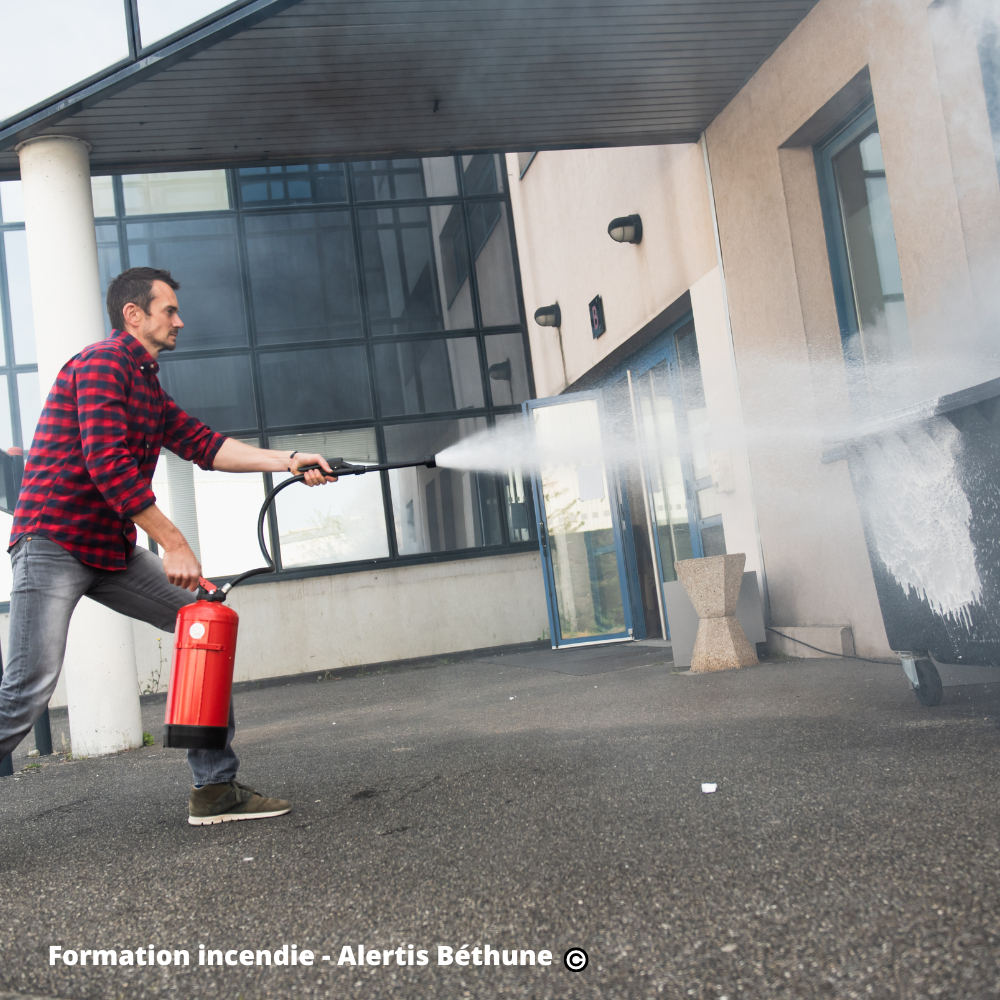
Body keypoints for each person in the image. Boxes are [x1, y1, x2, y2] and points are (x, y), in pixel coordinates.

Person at [0, 267, 336, 825]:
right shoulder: (102, 364)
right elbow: (106, 462)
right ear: (134, 314)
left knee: (203, 622)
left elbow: (204, 444)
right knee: (25, 692)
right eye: (170, 310)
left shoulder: (146, 385)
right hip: (54, 541)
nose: (180, 321)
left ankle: (215, 788)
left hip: (108, 549)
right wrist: (173, 542)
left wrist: (290, 461)